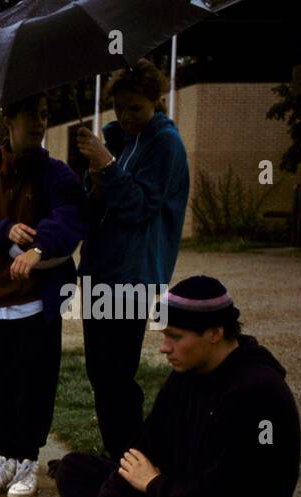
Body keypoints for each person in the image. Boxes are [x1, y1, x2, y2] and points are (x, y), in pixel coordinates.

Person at [40, 276, 300, 497]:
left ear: (216, 333)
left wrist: (152, 486)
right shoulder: (187, 373)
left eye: (175, 337)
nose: (164, 347)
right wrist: (120, 495)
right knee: (74, 469)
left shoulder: (257, 393)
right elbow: (148, 445)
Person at [0, 93, 86, 497]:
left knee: (33, 383)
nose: (39, 122)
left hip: (35, 300)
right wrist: (4, 229)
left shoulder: (58, 174)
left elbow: (69, 220)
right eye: (30, 114)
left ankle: (27, 461)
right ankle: (3, 457)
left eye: (44, 114)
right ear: (7, 119)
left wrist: (39, 247)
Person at [74, 59, 190, 461]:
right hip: (99, 269)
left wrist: (107, 164)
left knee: (117, 375)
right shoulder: (116, 139)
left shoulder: (166, 145)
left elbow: (140, 207)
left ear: (156, 102)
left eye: (135, 108)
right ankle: (118, 458)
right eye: (119, 108)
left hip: (134, 275)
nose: (125, 117)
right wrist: (94, 175)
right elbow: (94, 210)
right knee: (100, 374)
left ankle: (130, 460)